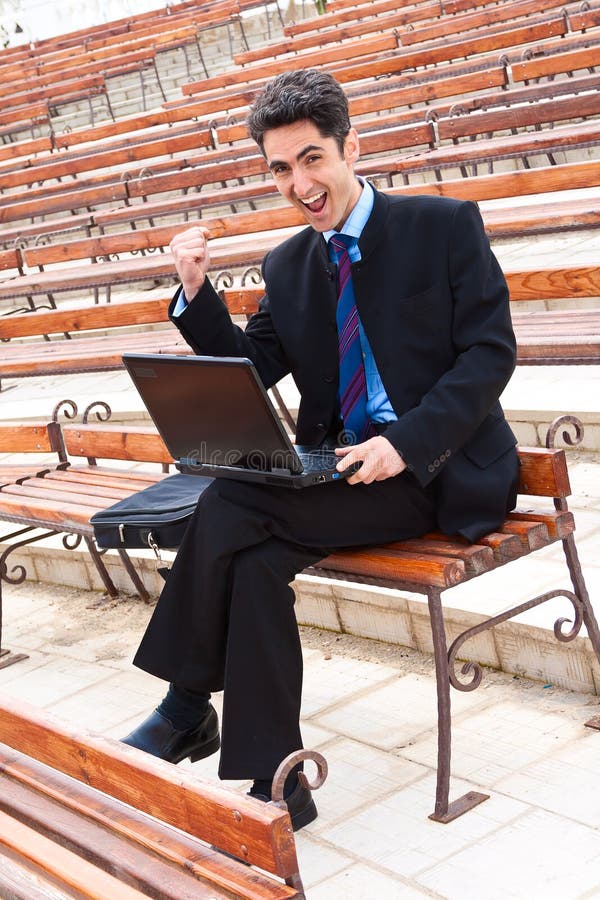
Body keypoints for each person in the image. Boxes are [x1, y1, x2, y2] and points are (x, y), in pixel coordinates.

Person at [121, 68, 519, 831]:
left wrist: (404, 444)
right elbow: (252, 366)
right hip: (340, 475)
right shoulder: (289, 264)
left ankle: (183, 708)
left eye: (311, 159)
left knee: (230, 499)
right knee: (256, 562)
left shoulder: (443, 226)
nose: (299, 183)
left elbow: (489, 355)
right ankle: (280, 785)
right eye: (279, 168)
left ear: (350, 148)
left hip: (436, 471)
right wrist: (196, 293)